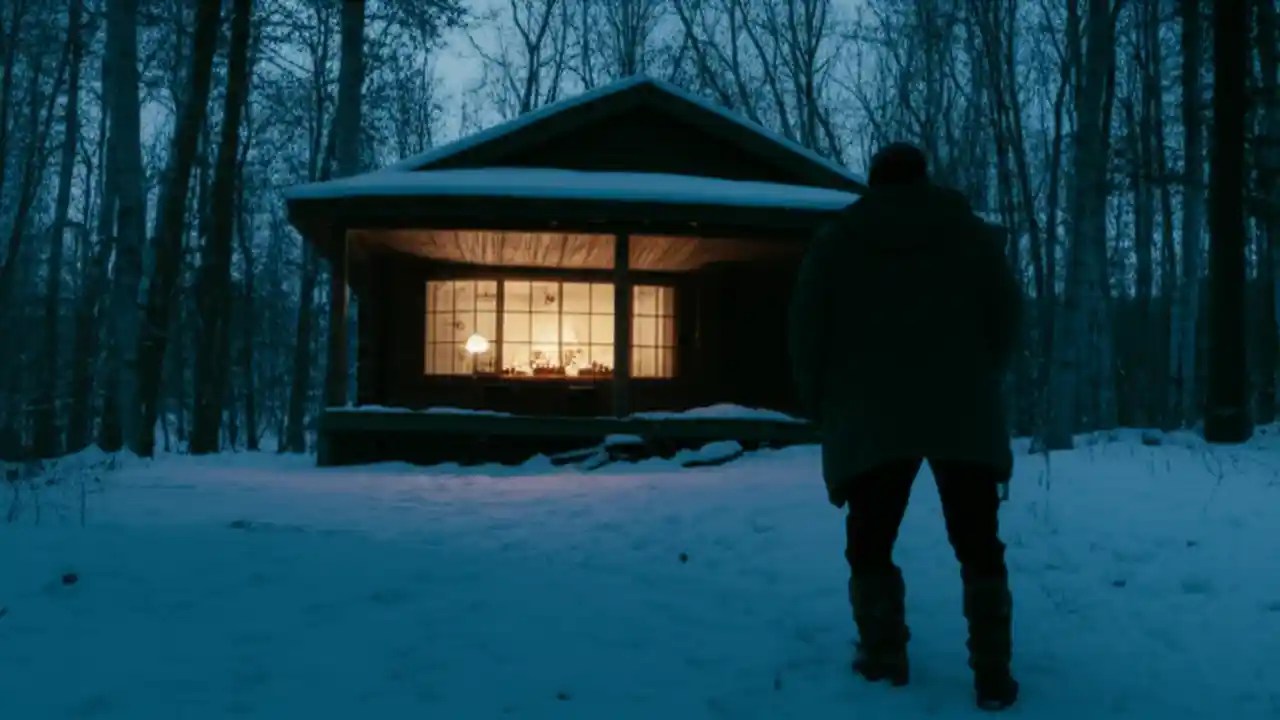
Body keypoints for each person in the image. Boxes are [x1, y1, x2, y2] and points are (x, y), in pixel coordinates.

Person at [787, 143, 1022, 711]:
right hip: (960, 407)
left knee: (871, 540)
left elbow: (807, 331)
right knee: (978, 542)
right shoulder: (972, 237)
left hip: (870, 413)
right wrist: (979, 374)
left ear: (874, 182)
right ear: (924, 179)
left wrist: (820, 400)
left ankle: (882, 653)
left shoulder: (839, 242)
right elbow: (1008, 319)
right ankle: (992, 671)